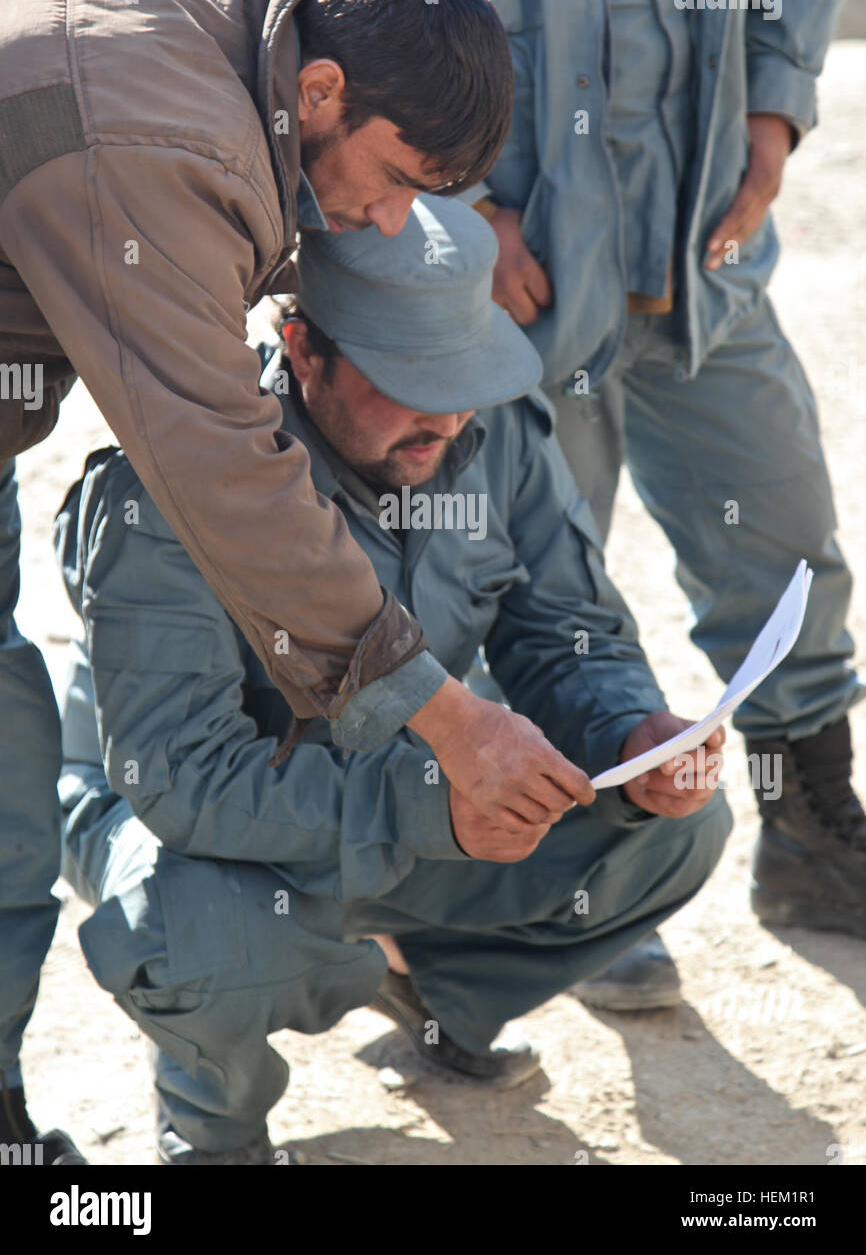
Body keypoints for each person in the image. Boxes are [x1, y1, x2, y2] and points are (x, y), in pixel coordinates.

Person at [0, 0, 584, 1161]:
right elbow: (216, 463)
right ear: (319, 92)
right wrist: (442, 715)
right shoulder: (169, 145)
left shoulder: (207, 42)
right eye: (388, 180)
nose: (380, 222)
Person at [239, 0, 865, 1011]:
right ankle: (556, 881)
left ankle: (812, 828)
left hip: (699, 262)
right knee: (505, 591)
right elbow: (299, 16)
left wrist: (770, 124)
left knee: (782, 537)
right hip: (497, 295)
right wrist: (455, 213)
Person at [55, 194, 729, 1163]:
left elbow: (565, 629)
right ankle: (214, 1133)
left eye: (463, 374)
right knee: (204, 941)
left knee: (671, 829)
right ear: (301, 348)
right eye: (406, 377)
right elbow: (180, 777)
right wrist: (433, 808)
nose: (443, 414)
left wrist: (628, 733)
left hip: (404, 786)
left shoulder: (488, 434)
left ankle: (427, 996)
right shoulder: (173, 488)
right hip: (175, 815)